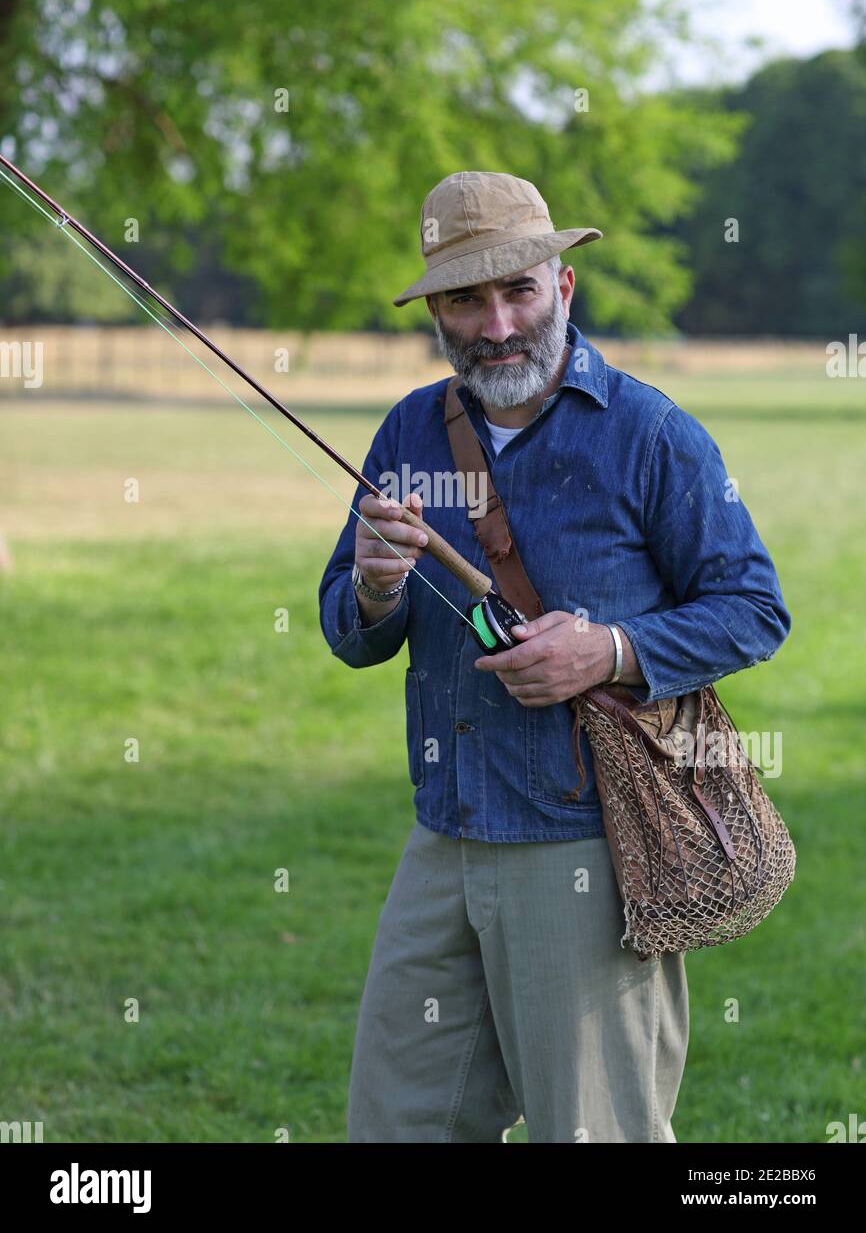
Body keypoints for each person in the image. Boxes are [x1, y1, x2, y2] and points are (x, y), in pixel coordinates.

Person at [318, 170, 791, 1143]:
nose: (496, 323)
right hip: (442, 830)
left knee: (592, 1130)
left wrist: (609, 648)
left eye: (517, 290)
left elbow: (753, 606)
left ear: (562, 287)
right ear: (435, 312)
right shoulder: (409, 428)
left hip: (582, 841)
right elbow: (348, 626)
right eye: (465, 298)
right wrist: (370, 587)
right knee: (396, 1122)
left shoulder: (647, 432)